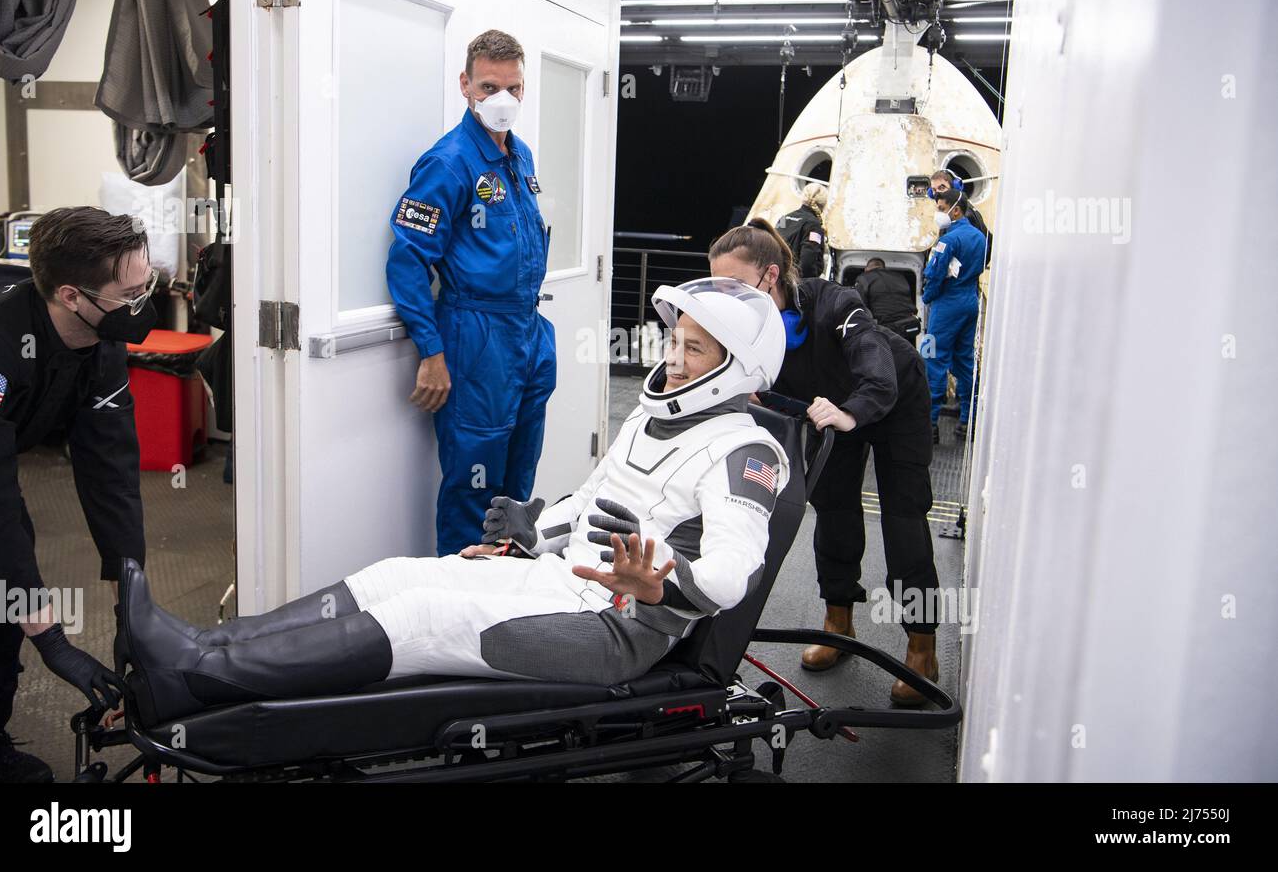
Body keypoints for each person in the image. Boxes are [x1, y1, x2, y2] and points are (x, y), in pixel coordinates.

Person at [118, 279, 791, 724]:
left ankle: (198, 677)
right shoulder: (651, 418)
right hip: (561, 582)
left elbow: (733, 574)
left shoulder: (748, 452)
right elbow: (590, 502)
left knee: (425, 616)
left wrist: (659, 577)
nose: (673, 358)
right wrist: (536, 527)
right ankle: (205, 645)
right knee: (395, 574)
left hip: (616, 629)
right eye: (674, 340)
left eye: (693, 348)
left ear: (739, 367)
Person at [709, 226, 941, 707]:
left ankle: (922, 645)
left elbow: (874, 361)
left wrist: (852, 411)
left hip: (890, 397)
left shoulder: (837, 303)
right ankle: (838, 620)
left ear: (770, 276)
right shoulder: (747, 331)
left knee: (904, 519)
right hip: (826, 410)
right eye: (719, 289)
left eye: (735, 287)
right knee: (832, 509)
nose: (727, 300)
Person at [0, 207, 155, 782]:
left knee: (1, 598)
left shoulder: (100, 341)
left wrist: (130, 604)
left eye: (146, 285)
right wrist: (53, 640)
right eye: (128, 293)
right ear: (72, 295)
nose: (141, 304)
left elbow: (111, 471)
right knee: (1, 564)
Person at [386, 29, 557, 557]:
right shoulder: (449, 162)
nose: (501, 99)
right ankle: (460, 611)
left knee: (518, 484)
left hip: (527, 331)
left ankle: (506, 596)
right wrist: (431, 350)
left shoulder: (519, 156)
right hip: (476, 338)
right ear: (465, 85)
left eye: (513, 87)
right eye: (488, 86)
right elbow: (408, 258)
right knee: (473, 485)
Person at [923, 188, 987, 443]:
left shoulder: (947, 240)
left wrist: (928, 296)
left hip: (946, 305)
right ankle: (967, 422)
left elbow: (935, 273)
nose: (939, 212)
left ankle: (930, 423)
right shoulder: (980, 237)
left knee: (932, 357)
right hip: (970, 301)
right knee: (965, 361)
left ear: (955, 209)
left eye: (941, 208)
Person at [929, 169, 992, 264]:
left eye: (942, 188)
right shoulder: (951, 212)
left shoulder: (964, 215)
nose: (937, 194)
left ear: (955, 187)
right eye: (934, 190)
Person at [853, 258, 920, 345]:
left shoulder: (863, 278)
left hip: (884, 328)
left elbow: (859, 305)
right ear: (884, 268)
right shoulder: (900, 277)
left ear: (866, 269)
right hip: (908, 326)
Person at [773, 181, 829, 279]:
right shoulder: (813, 225)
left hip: (774, 277)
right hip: (793, 283)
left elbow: (771, 244)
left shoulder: (783, 218)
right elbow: (808, 262)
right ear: (823, 204)